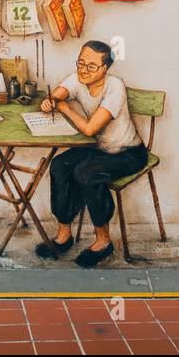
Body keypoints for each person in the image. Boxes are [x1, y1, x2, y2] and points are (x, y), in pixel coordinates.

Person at [36, 40, 148, 267]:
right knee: (59, 165)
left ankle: (103, 241)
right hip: (99, 149)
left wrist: (64, 107)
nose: (83, 70)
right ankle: (64, 235)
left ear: (105, 68)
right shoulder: (77, 77)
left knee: (86, 174)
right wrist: (51, 102)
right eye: (80, 63)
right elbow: (58, 94)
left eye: (91, 66)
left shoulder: (115, 86)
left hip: (127, 152)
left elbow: (89, 129)